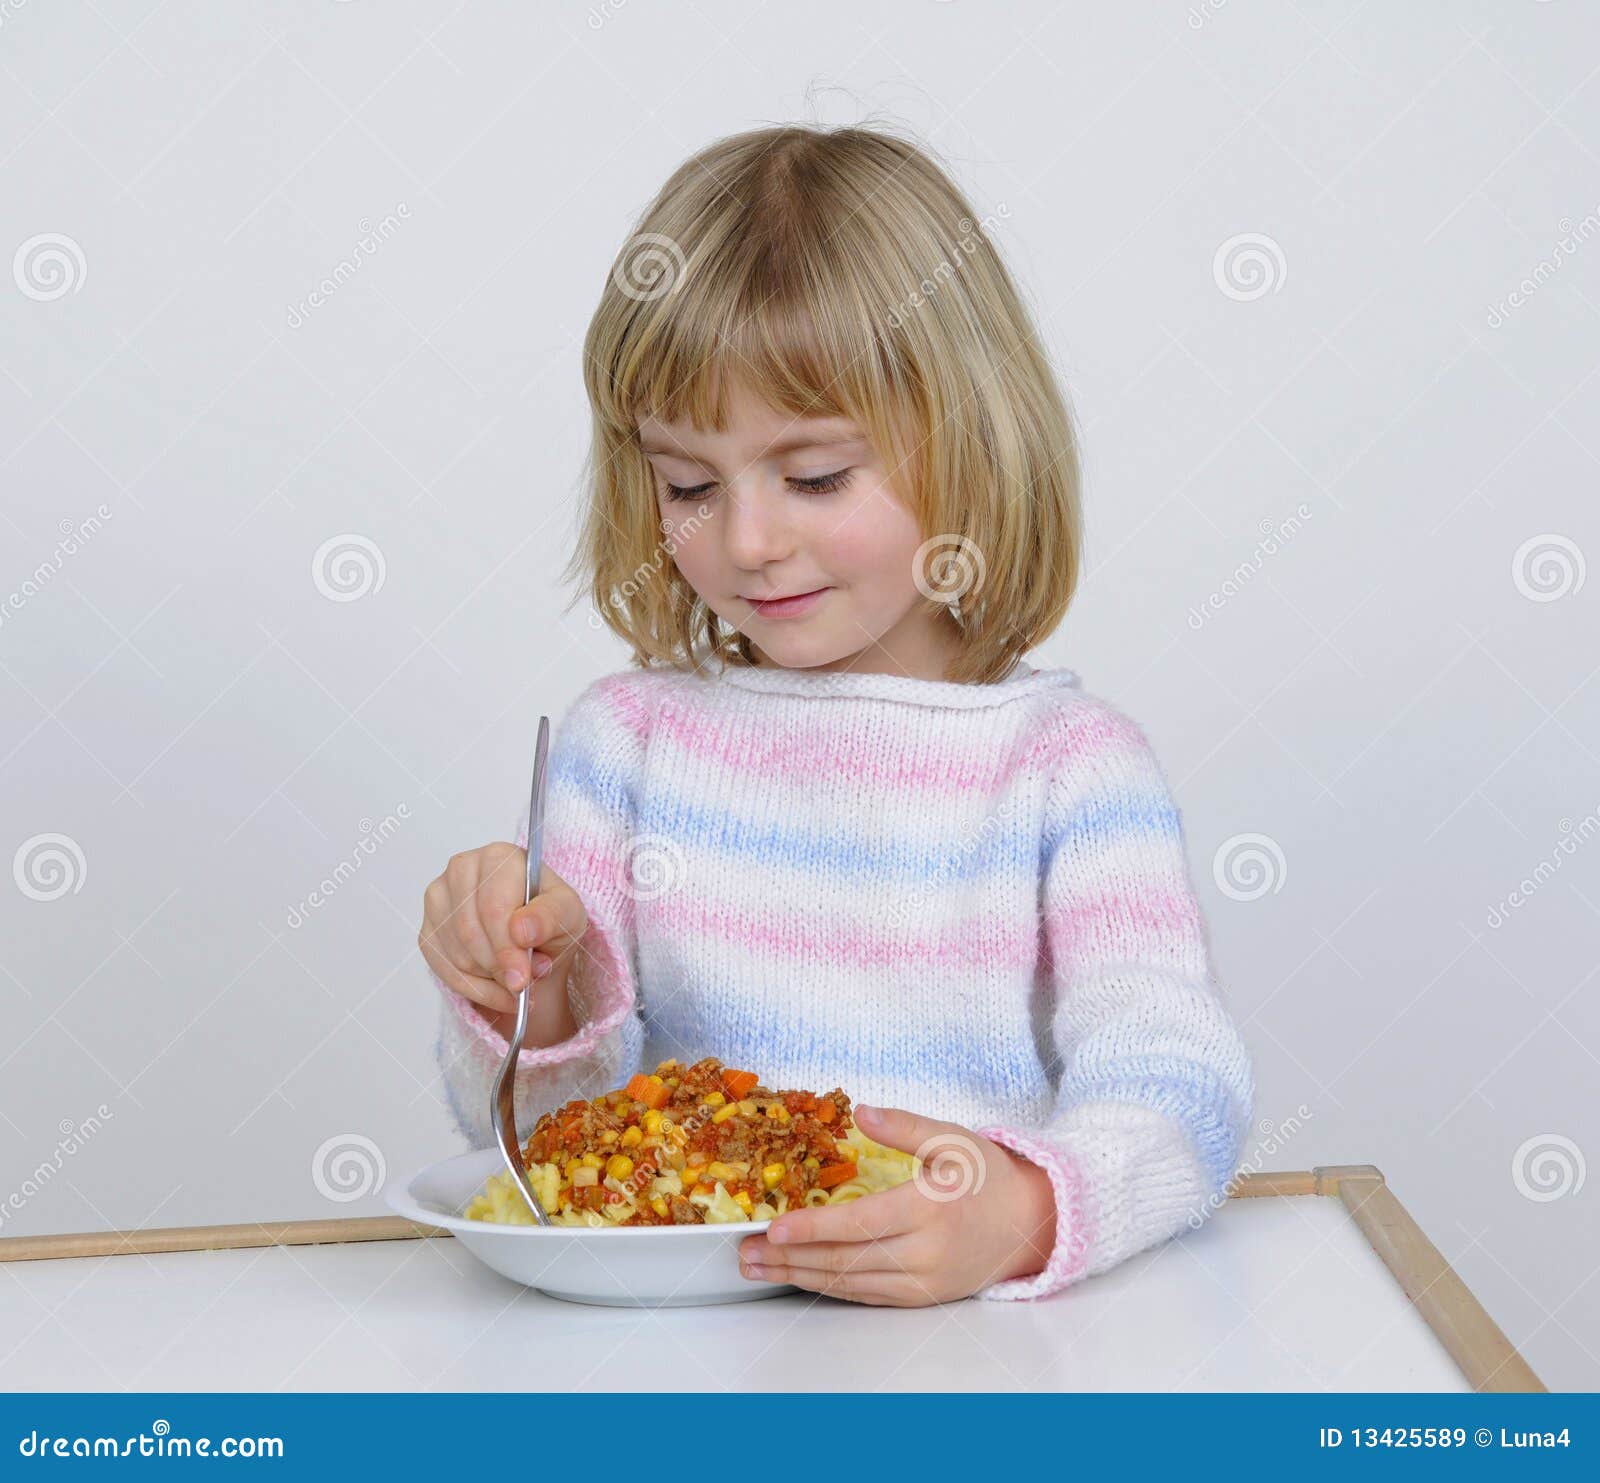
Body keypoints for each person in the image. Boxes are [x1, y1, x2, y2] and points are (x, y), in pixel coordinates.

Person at [418, 122, 1253, 1306]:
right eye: (688, 484)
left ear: (970, 441)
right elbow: (540, 1140)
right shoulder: (621, 747)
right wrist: (526, 992)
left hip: (969, 1356)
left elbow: (1178, 1085)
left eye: (814, 477)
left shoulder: (1068, 769)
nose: (749, 539)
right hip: (681, 1356)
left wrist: (1022, 1213)